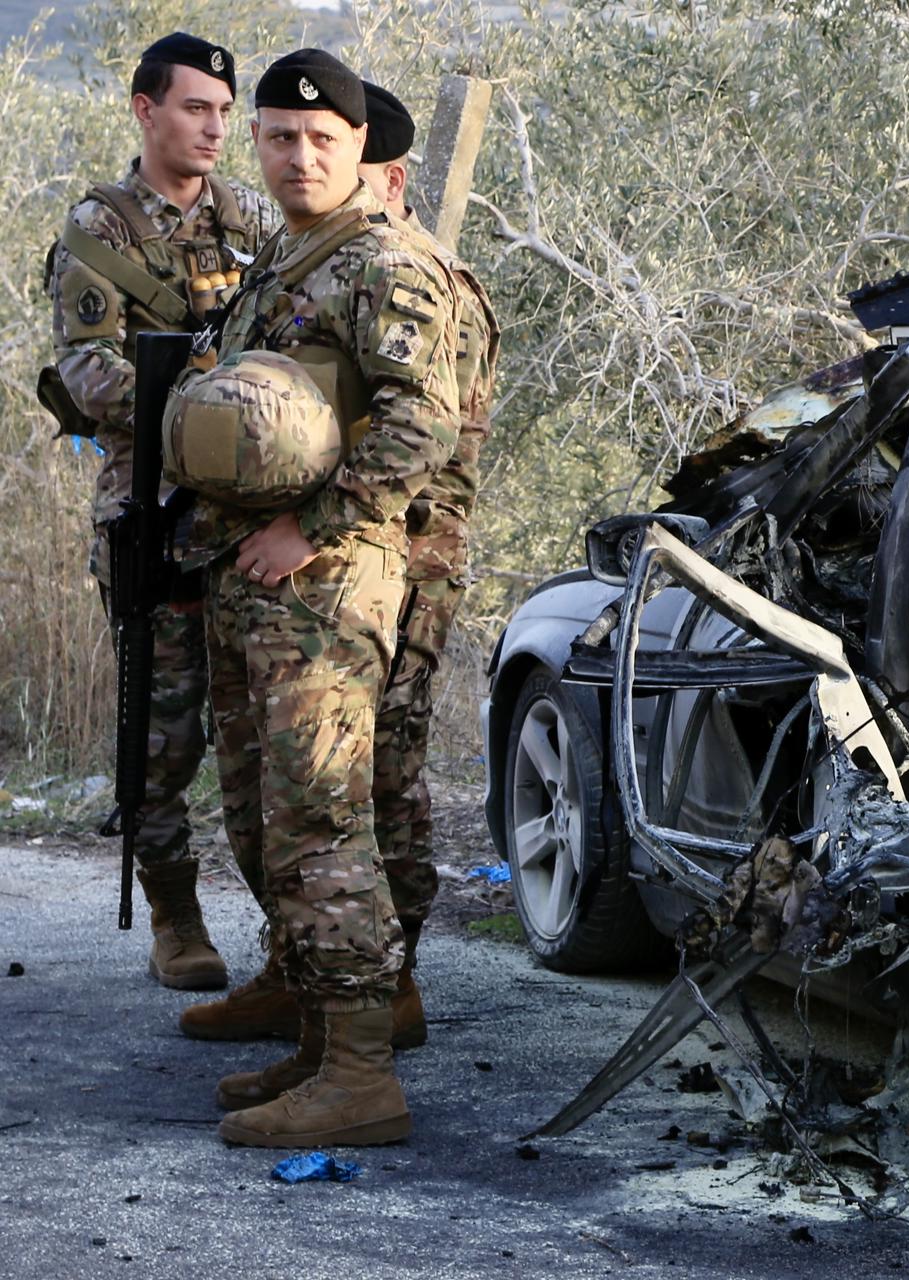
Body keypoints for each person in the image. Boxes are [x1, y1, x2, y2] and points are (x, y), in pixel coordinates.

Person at [174, 48, 462, 1147]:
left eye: (323, 141)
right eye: (281, 138)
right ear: (258, 142)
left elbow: (420, 422)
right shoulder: (285, 261)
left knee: (321, 824)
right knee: (263, 817)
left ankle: (360, 1074)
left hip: (329, 586)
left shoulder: (386, 264)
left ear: (359, 153)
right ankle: (315, 1032)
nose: (299, 156)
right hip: (256, 583)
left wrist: (314, 524)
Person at [42, 32, 277, 991]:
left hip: (252, 515)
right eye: (194, 108)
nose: (213, 127)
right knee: (162, 733)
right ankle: (178, 919)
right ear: (146, 111)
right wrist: (214, 402)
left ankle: (293, 927)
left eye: (224, 111)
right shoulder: (102, 231)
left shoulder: (252, 219)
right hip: (154, 514)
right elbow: (87, 374)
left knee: (267, 729)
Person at [358, 80, 502, 1040]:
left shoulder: (424, 282)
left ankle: (394, 977)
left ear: (393, 178)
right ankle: (317, 969)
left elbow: (422, 440)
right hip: (370, 555)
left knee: (387, 767)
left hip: (412, 561)